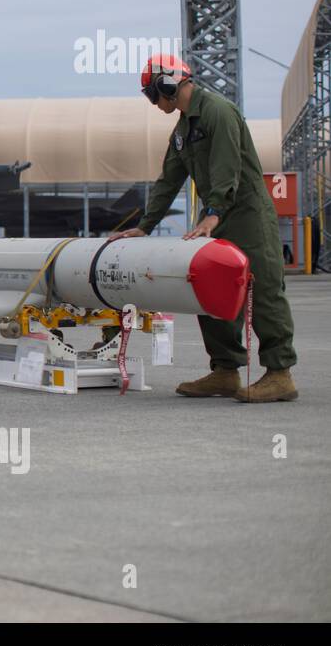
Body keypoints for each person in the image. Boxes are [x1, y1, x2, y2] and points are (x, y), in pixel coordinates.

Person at [107, 54, 297, 402]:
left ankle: (280, 373)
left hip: (247, 214)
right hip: (216, 216)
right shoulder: (182, 130)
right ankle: (225, 371)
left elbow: (227, 167)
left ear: (168, 84)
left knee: (264, 288)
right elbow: (168, 180)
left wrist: (213, 214)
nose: (154, 103)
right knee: (210, 288)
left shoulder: (217, 112)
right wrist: (145, 226)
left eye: (153, 95)